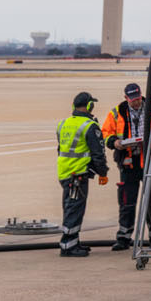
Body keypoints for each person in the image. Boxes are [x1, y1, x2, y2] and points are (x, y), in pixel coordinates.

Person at [101, 81, 151, 251]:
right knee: (127, 202)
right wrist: (115, 142)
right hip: (129, 163)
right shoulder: (117, 113)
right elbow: (106, 133)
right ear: (126, 98)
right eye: (132, 99)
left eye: (137, 98)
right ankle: (124, 237)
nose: (135, 102)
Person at [56, 92, 109, 257]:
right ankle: (68, 246)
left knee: (69, 206)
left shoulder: (63, 124)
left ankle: (73, 241)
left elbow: (60, 148)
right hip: (77, 174)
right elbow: (98, 153)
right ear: (89, 106)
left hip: (64, 172)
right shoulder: (89, 126)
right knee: (75, 209)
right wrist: (103, 172)